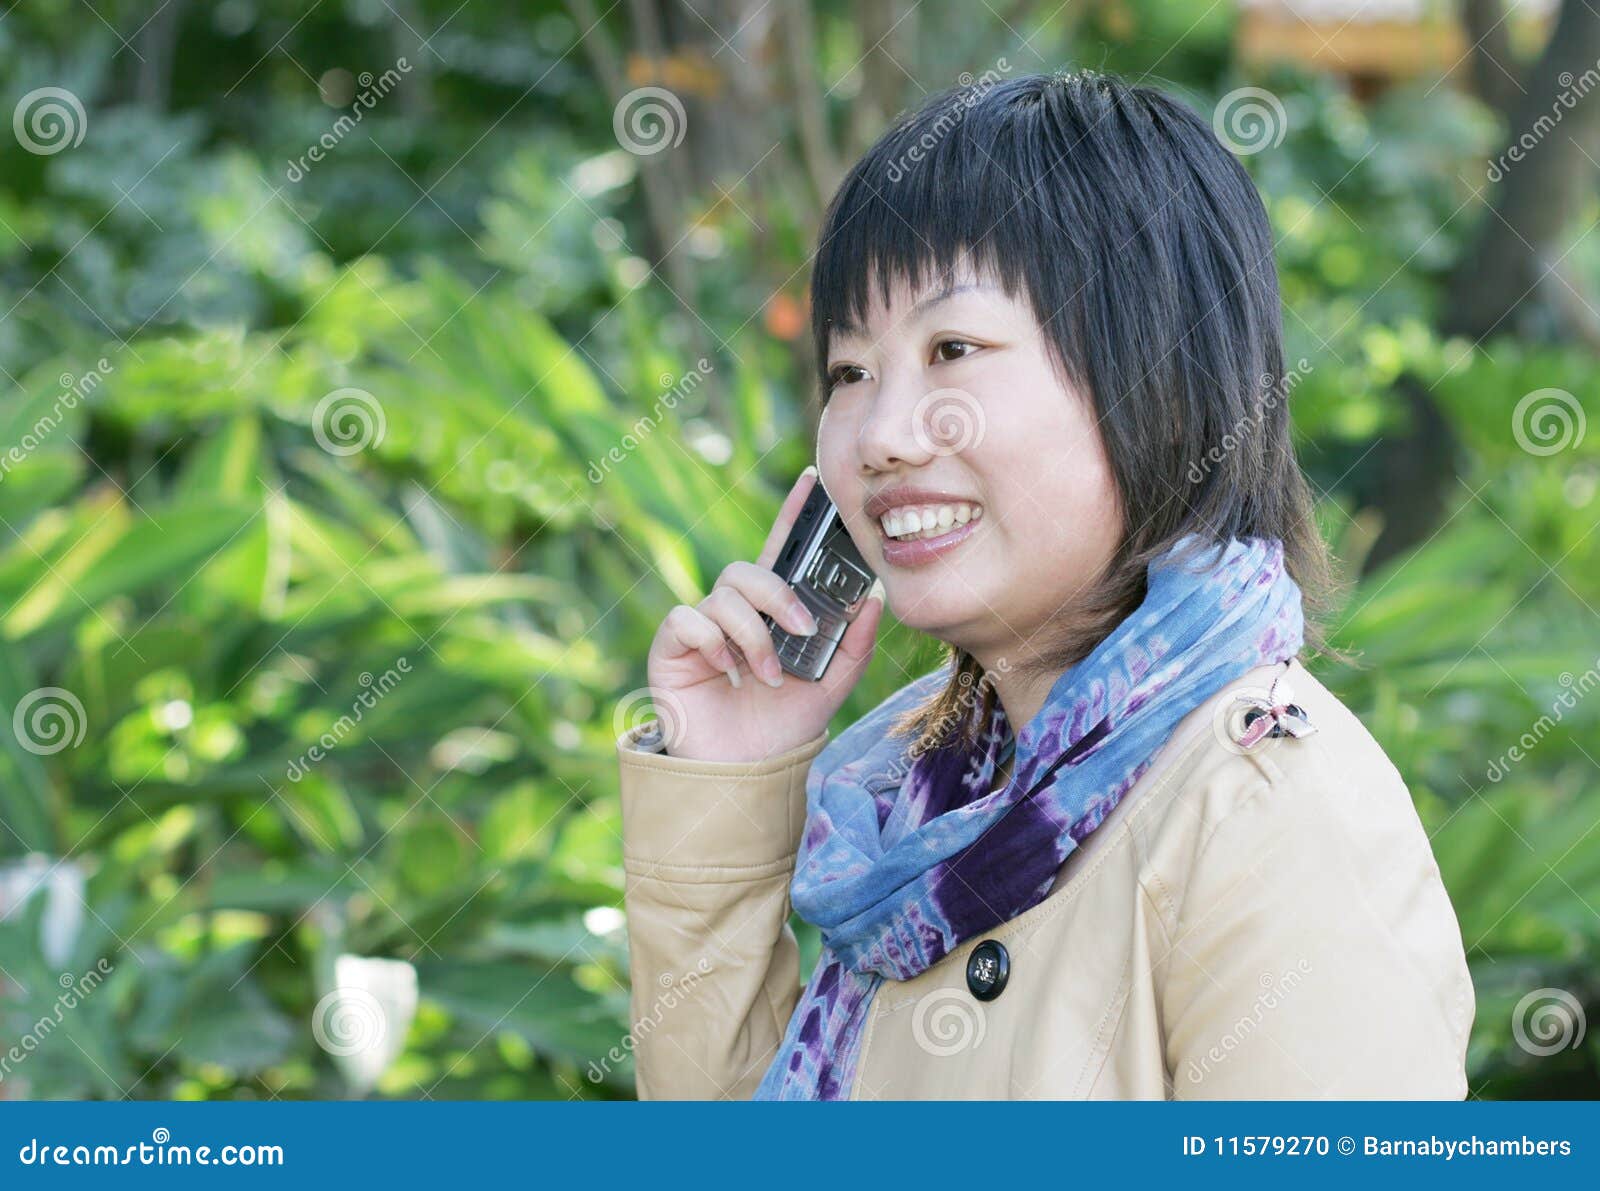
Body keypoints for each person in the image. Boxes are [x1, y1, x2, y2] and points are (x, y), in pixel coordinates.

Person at [614, 70, 1474, 1100]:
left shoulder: (1267, 812)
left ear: (1158, 388)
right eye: (850, 371)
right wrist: (729, 782)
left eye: (954, 349)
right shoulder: (932, 798)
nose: (882, 437)